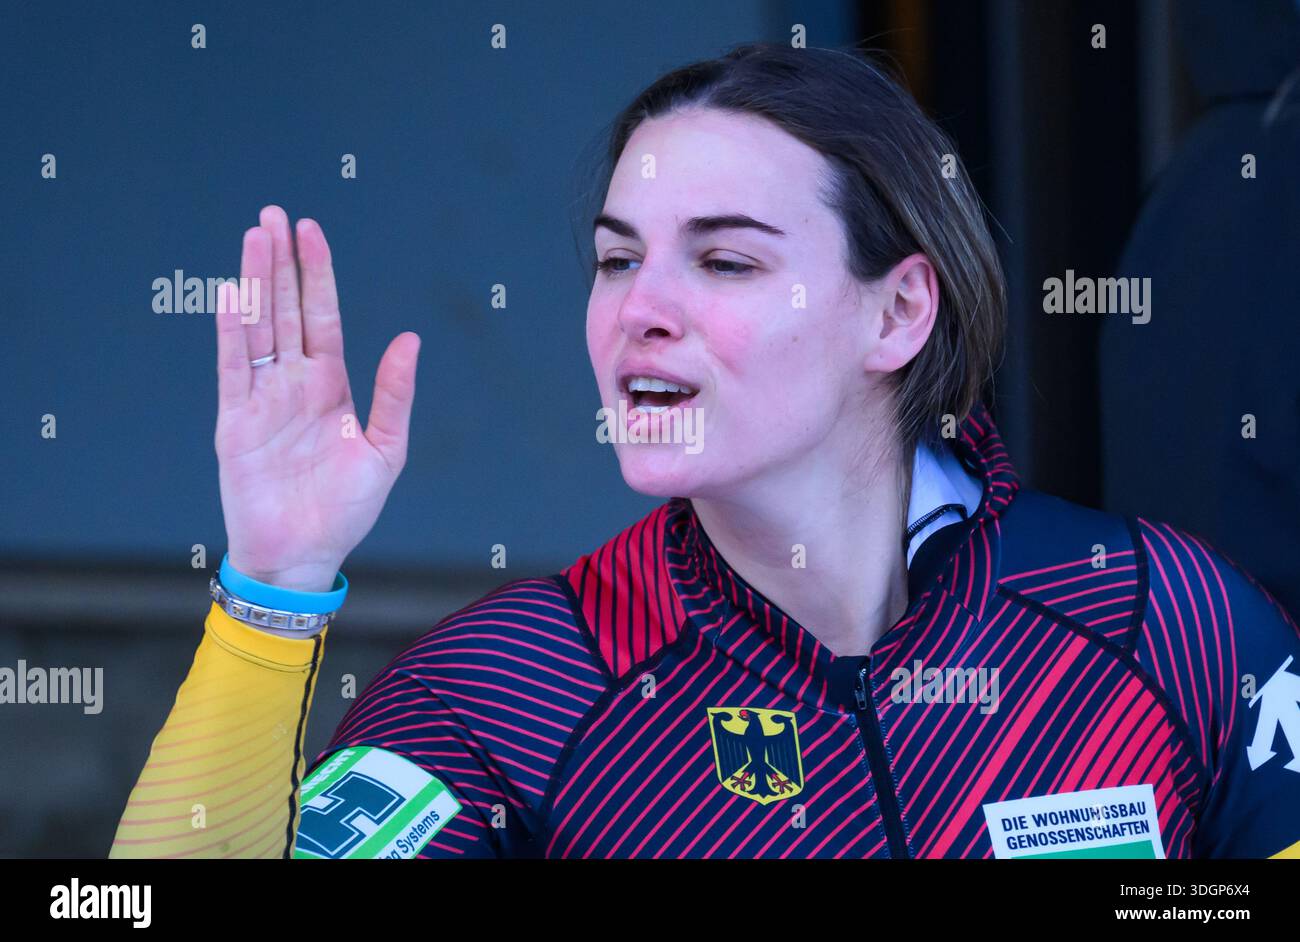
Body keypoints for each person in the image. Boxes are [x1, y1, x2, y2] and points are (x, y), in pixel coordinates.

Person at [110, 42, 1300, 860]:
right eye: (619, 258)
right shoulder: (513, 689)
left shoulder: (1162, 622)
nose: (641, 308)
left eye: (724, 260)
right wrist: (274, 580)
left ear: (897, 314)